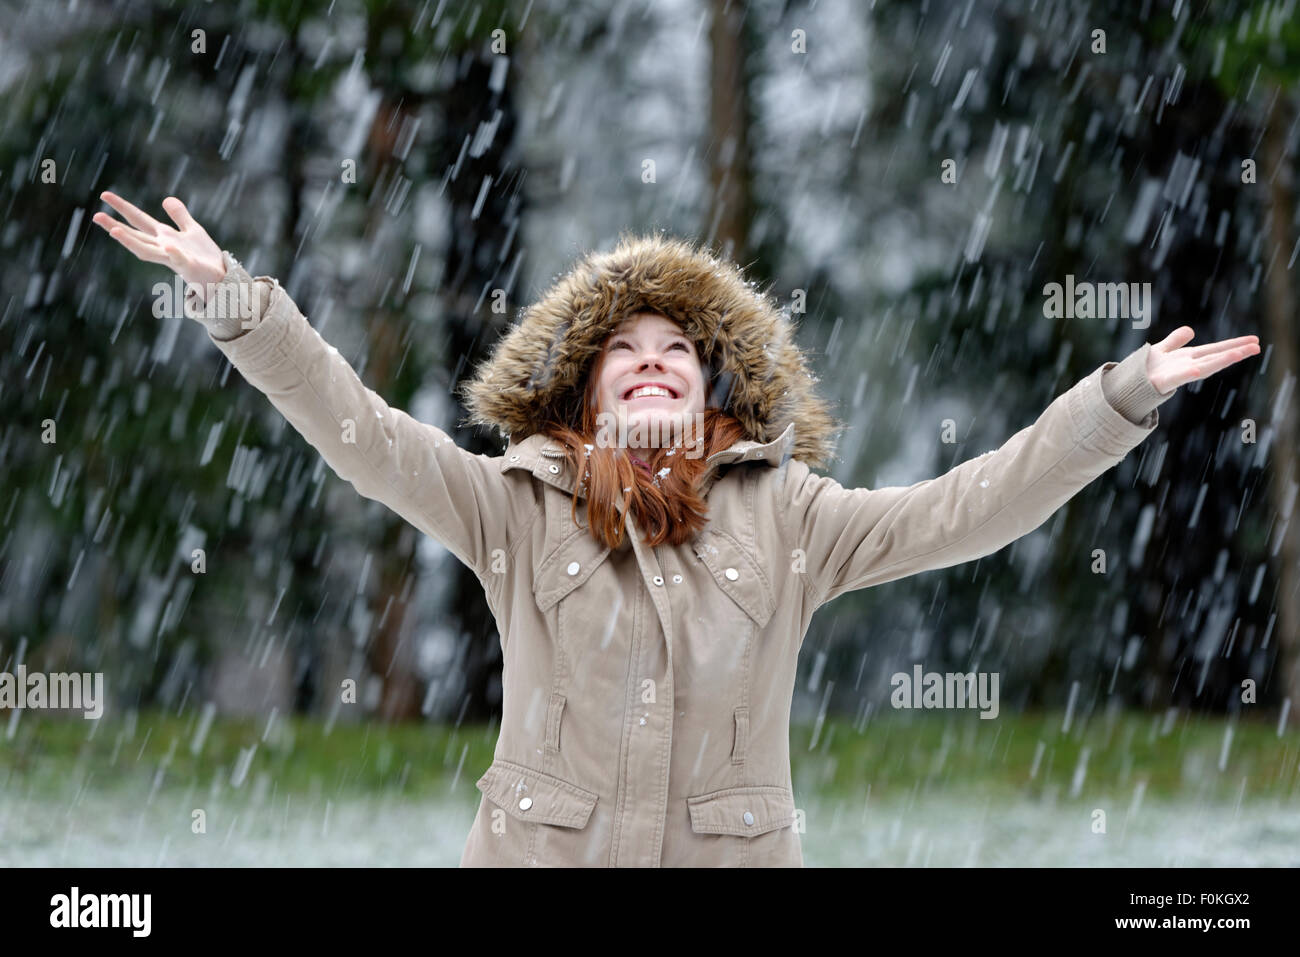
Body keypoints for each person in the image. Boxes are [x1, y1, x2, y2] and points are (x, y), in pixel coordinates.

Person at [94, 191, 1260, 867]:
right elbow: (358, 429)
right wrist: (236, 300)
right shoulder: (514, 506)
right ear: (582, 392)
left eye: (676, 356)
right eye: (624, 353)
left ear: (713, 394)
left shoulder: (791, 514)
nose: (652, 365)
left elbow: (976, 504)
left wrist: (1119, 397)